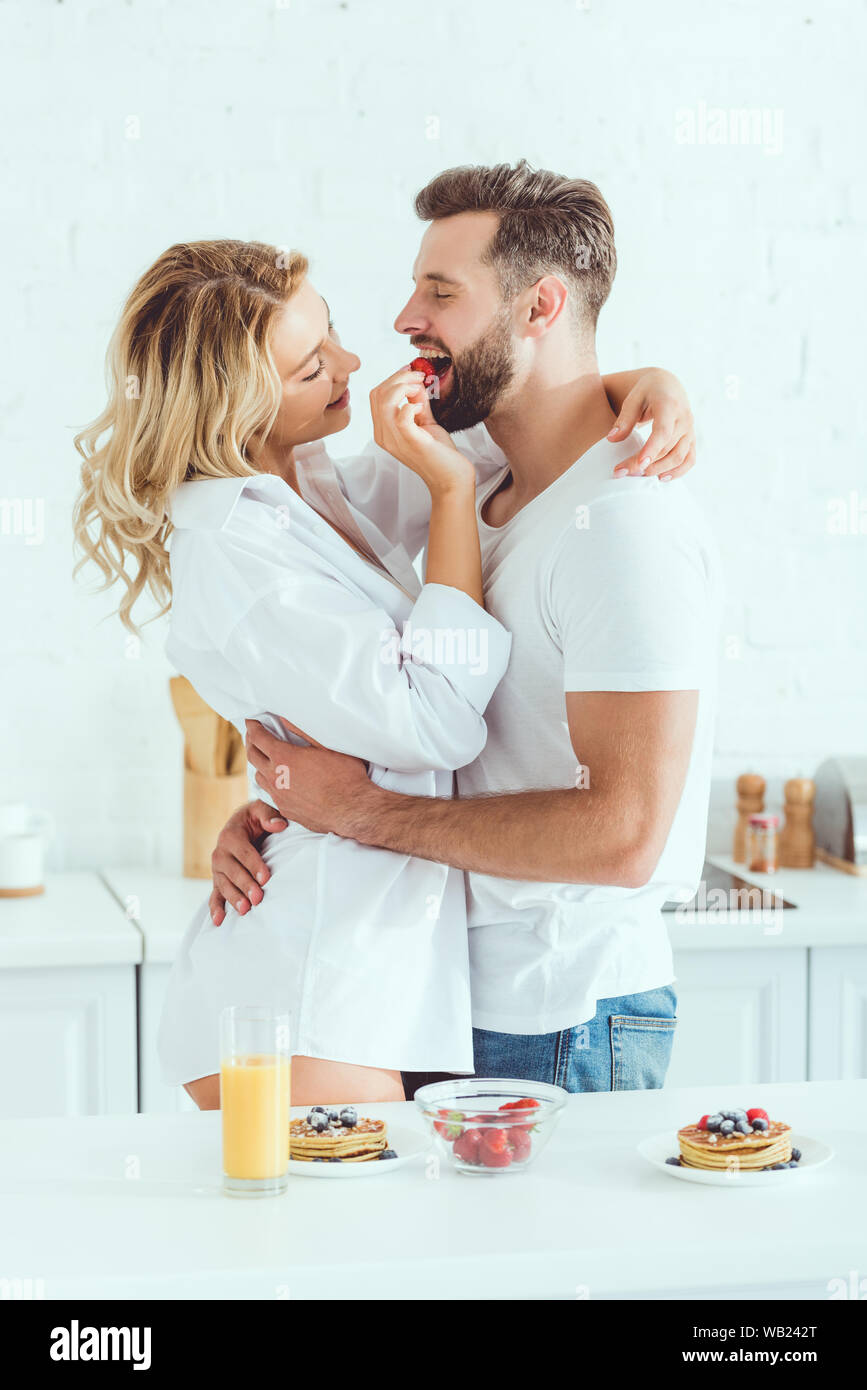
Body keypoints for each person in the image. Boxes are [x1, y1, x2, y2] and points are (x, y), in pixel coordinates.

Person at [73, 227, 691, 1106]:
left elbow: (497, 443)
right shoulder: (240, 553)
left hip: (370, 977)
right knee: (336, 1237)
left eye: (328, 332)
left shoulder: (310, 491)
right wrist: (443, 492)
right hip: (312, 981)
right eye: (310, 368)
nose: (352, 361)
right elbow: (434, 721)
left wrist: (647, 385)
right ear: (234, 409)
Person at [212, 161, 723, 1097]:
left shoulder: (623, 528)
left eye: (440, 293)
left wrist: (362, 815)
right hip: (448, 995)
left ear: (540, 307)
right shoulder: (481, 480)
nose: (405, 318)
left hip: (558, 1015)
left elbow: (622, 835)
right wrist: (291, 815)